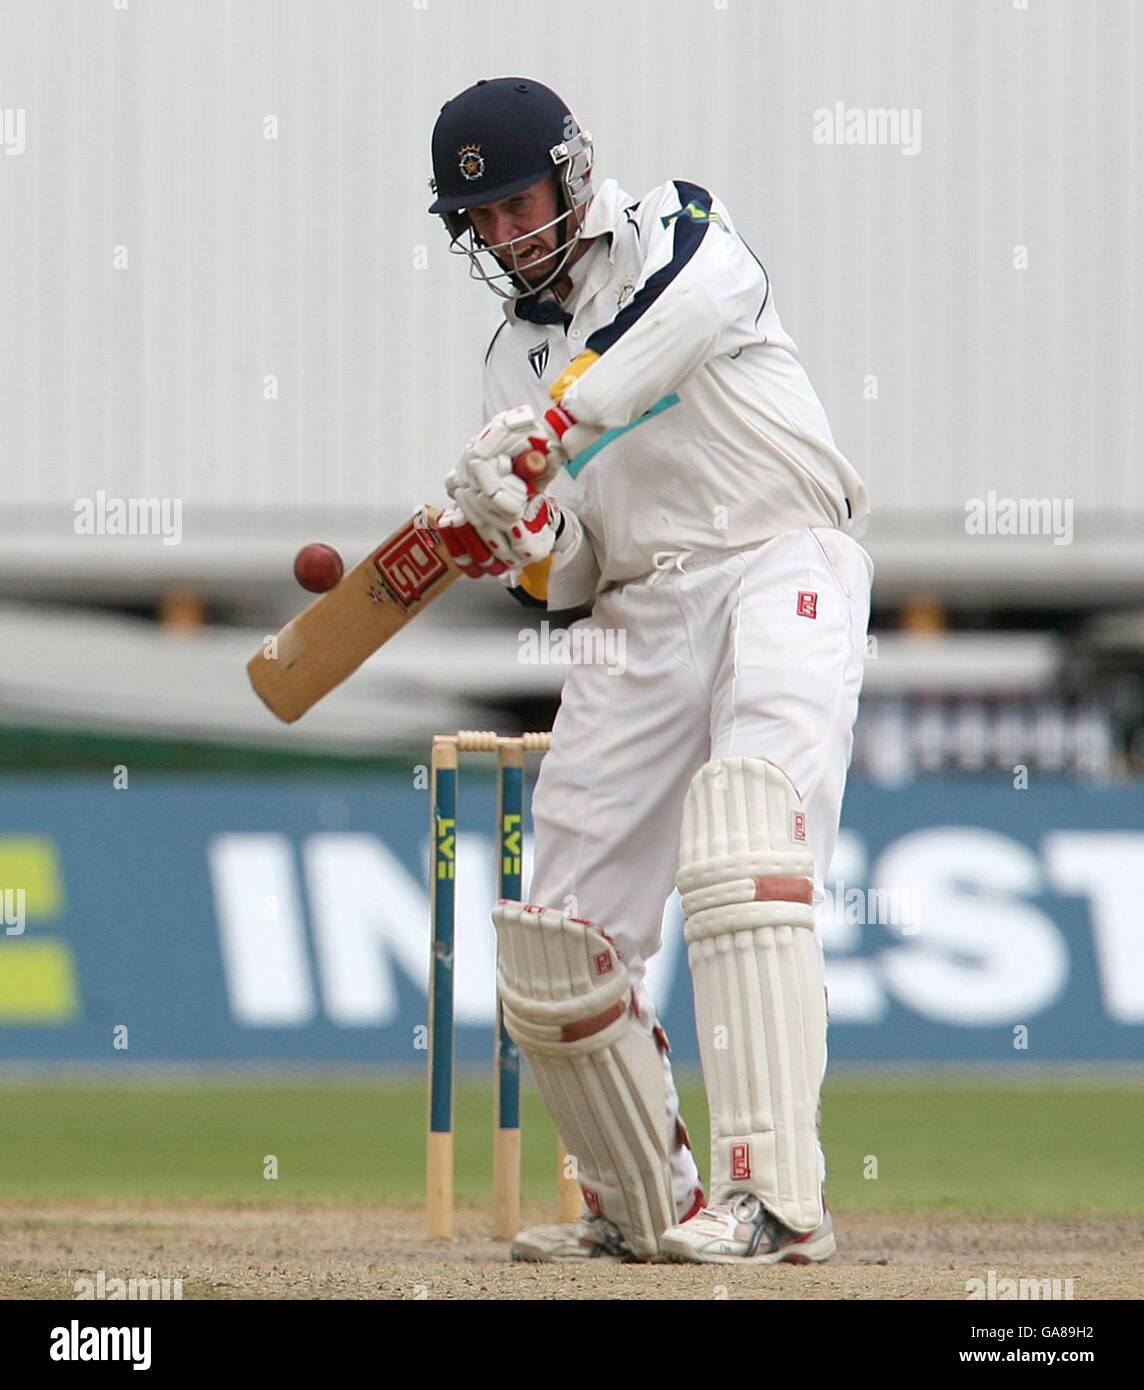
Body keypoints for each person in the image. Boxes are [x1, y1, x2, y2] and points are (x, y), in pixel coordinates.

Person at [428, 76, 872, 1264]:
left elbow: (672, 328)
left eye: (520, 203)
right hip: (636, 606)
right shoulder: (510, 362)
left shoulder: (676, 230)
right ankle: (638, 1202)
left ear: (571, 175)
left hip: (778, 552)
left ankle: (776, 1197)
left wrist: (554, 434)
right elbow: (566, 575)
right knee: (555, 930)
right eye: (483, 222)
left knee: (746, 843)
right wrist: (524, 537)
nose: (507, 235)